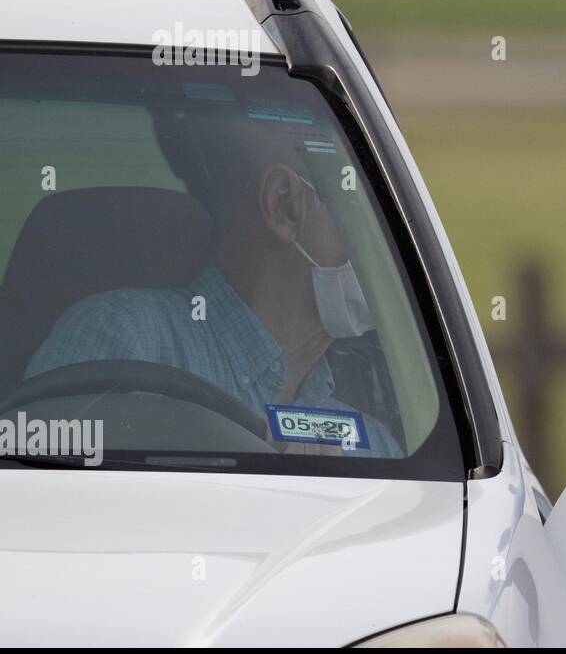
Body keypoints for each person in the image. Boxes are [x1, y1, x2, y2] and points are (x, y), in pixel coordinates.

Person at [25, 111, 402, 457]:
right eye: (365, 209)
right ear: (284, 205)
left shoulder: (372, 444)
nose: (390, 245)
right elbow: (46, 511)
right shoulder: (123, 341)